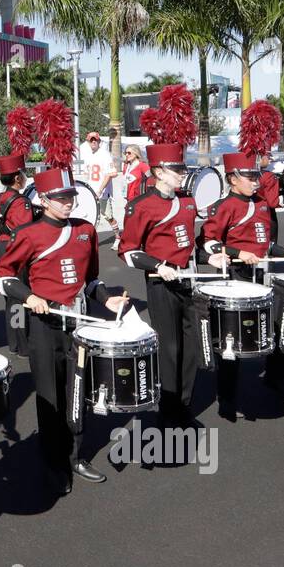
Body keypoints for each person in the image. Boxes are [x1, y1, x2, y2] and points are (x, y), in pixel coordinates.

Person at [0, 154, 129, 495]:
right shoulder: (29, 233)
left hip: (79, 325)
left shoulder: (85, 231)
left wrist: (107, 299)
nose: (67, 203)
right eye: (60, 198)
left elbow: (92, 281)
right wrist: (27, 297)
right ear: (43, 200)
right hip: (44, 325)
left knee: (78, 391)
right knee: (50, 396)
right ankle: (53, 459)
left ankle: (75, 454)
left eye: (70, 197)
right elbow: (2, 276)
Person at [196, 153, 284, 419]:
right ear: (232, 179)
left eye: (255, 176)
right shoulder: (223, 206)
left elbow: (265, 243)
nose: (255, 181)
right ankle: (226, 399)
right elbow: (207, 243)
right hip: (236, 278)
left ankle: (277, 378)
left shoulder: (262, 204)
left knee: (276, 328)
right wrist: (238, 254)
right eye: (249, 177)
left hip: (262, 276)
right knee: (234, 340)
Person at [117, 141, 203, 427]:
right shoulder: (141, 206)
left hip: (188, 281)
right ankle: (169, 409)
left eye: (182, 167)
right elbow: (128, 250)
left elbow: (194, 243)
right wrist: (158, 266)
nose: (182, 172)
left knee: (191, 347)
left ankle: (185, 404)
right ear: (159, 171)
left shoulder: (188, 201)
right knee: (170, 348)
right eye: (176, 168)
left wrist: (214, 254)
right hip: (161, 283)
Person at [0, 146, 36, 357]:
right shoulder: (21, 202)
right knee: (21, 296)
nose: (25, 178)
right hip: (17, 251)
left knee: (9, 298)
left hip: (1, 249)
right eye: (23, 174)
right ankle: (24, 345)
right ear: (16, 178)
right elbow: (27, 231)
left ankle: (14, 342)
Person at [79, 131, 118, 222]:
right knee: (90, 214)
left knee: (107, 216)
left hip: (102, 192)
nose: (93, 142)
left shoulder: (105, 154)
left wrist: (100, 189)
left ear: (99, 141)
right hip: (91, 190)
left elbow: (113, 173)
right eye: (91, 140)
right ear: (88, 142)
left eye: (95, 140)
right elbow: (86, 174)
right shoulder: (88, 155)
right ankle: (92, 234)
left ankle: (117, 235)